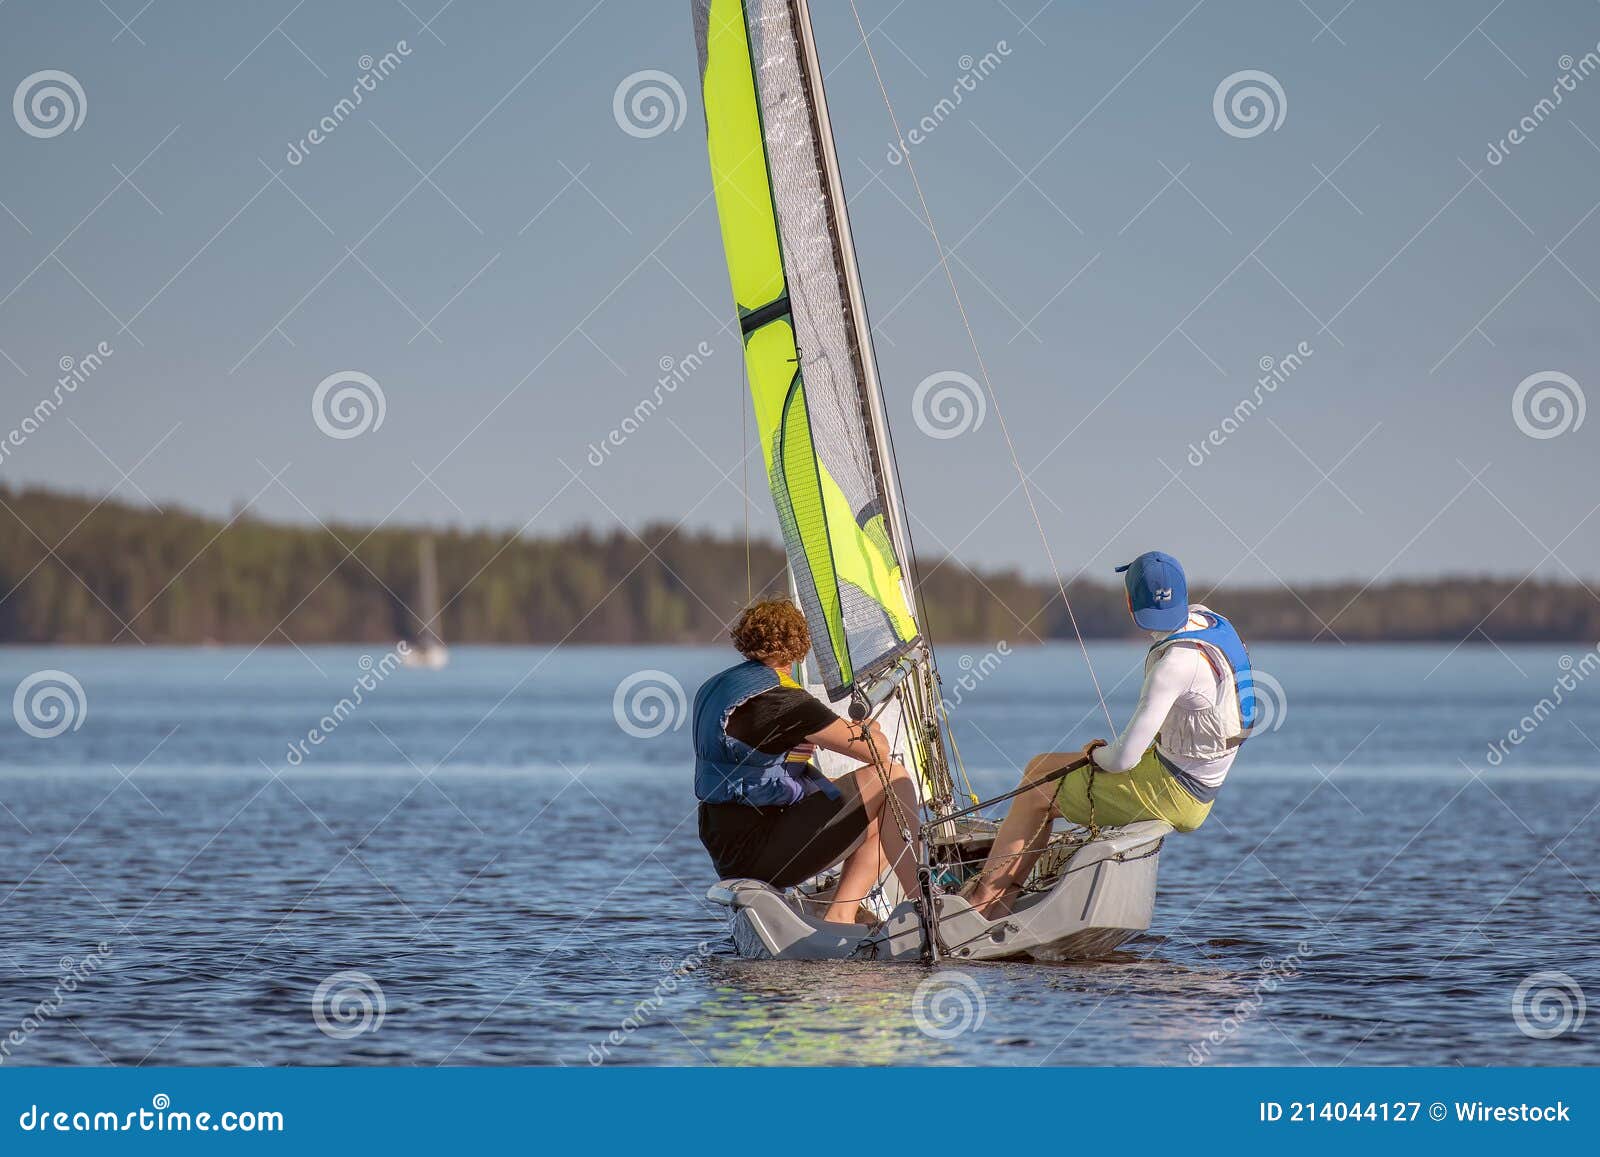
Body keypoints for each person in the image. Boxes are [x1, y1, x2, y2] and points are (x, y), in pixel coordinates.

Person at [964, 550, 1255, 918]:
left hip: (1176, 792)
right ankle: (1003, 897)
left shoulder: (1173, 666)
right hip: (1195, 777)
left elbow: (1121, 760)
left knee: (1036, 789)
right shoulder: (1213, 622)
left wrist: (1091, 754)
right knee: (1039, 767)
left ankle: (984, 906)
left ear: (1130, 603)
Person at [693, 598, 923, 924]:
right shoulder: (787, 703)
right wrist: (869, 729)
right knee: (891, 777)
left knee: (879, 812)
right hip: (760, 852)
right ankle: (924, 904)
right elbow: (877, 753)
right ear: (801, 647)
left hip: (724, 847)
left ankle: (840, 911)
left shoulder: (715, 687)